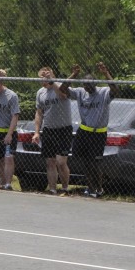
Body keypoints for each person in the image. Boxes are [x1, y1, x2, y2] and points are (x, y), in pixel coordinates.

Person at [65, 62, 115, 198]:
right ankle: (91, 188)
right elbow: (64, 88)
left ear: (95, 84)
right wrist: (74, 75)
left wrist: (106, 73)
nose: (88, 88)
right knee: (86, 161)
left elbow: (115, 89)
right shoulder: (81, 92)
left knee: (95, 162)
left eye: (90, 85)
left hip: (98, 133)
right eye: (85, 85)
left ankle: (98, 189)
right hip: (84, 131)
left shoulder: (103, 92)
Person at [32, 66, 72, 195]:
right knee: (50, 162)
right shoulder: (40, 93)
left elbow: (62, 95)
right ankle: (52, 189)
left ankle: (65, 188)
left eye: (46, 77)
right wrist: (37, 132)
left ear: (52, 76)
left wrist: (51, 81)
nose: (43, 81)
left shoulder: (60, 86)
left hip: (63, 129)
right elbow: (39, 113)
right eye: (41, 78)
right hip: (49, 129)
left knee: (61, 162)